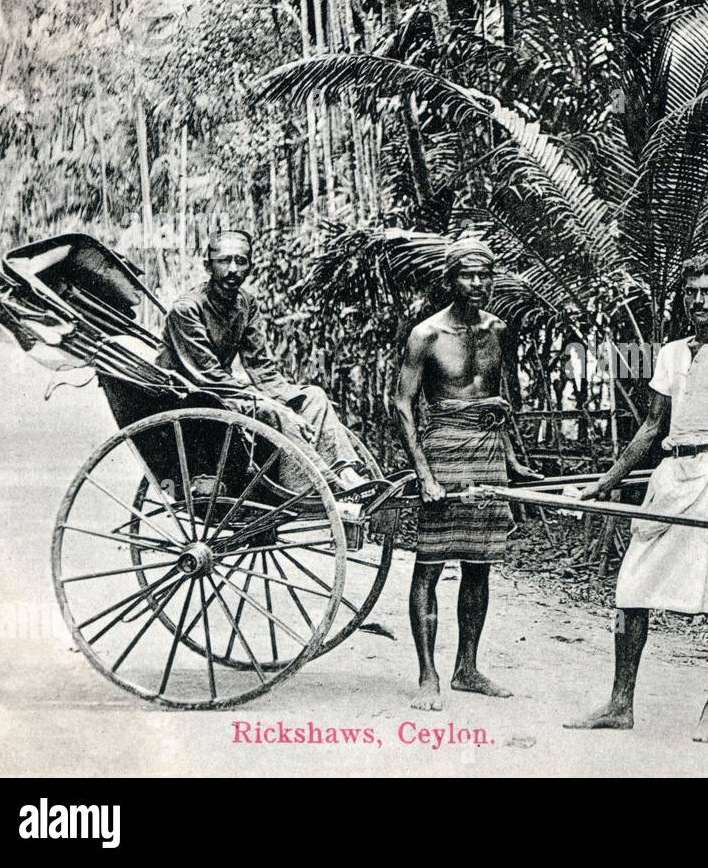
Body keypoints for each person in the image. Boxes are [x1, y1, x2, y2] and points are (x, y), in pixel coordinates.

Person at [565, 255, 708, 743]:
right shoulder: (673, 353)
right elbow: (652, 428)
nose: (697, 300)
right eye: (690, 292)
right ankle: (620, 704)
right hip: (671, 477)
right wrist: (606, 481)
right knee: (631, 588)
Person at [395, 237, 541, 712]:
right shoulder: (427, 334)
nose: (477, 283)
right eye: (467, 274)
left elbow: (502, 397)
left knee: (480, 564)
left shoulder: (499, 329)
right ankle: (427, 674)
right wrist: (424, 474)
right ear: (450, 278)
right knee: (430, 562)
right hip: (443, 448)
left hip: (488, 451)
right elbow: (402, 403)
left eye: (484, 274)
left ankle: (467, 668)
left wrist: (511, 456)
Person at [155, 229, 367, 491]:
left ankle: (346, 472)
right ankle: (322, 487)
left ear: (250, 268)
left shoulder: (246, 303)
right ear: (208, 265)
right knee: (273, 412)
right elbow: (208, 376)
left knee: (313, 397)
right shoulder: (187, 309)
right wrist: (277, 407)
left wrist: (289, 398)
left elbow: (260, 367)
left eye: (241, 261)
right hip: (194, 397)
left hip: (224, 393)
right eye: (224, 261)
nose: (233, 269)